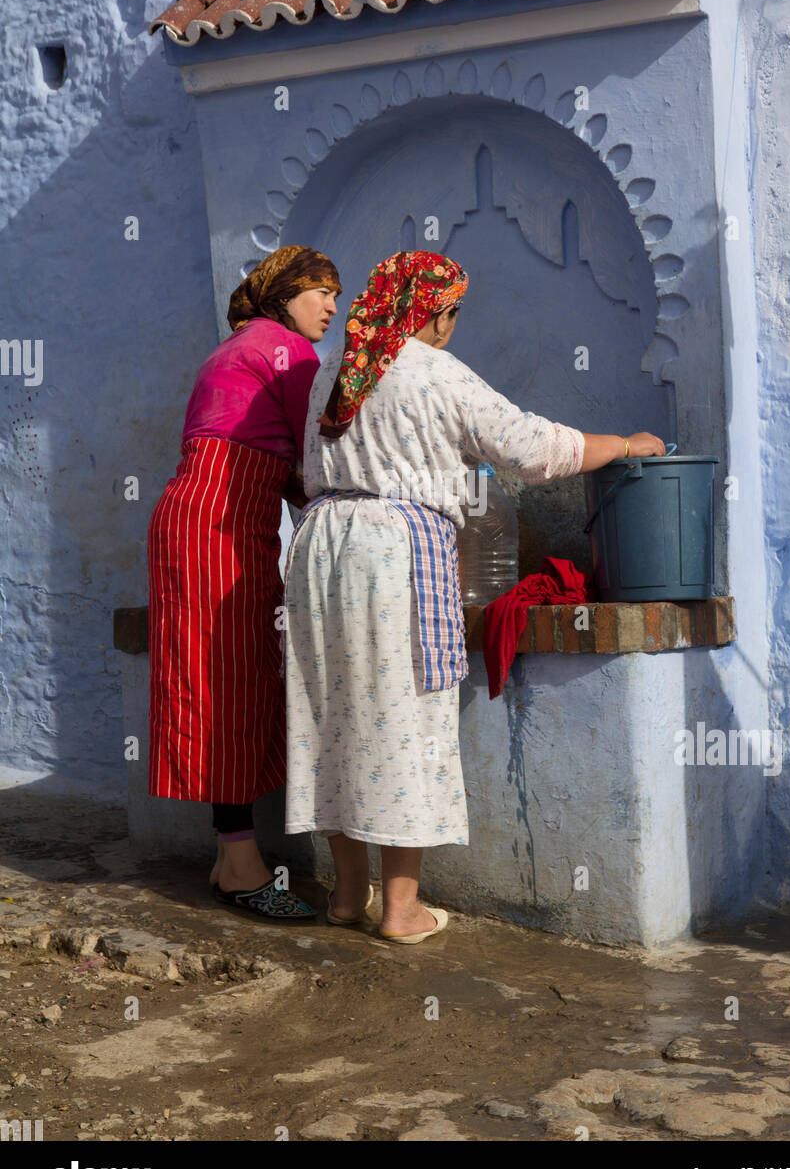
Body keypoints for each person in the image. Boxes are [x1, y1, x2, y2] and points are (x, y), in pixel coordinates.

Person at [282, 249, 665, 942]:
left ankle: (346, 894)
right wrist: (623, 443)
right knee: (403, 719)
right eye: (452, 313)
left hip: (319, 549)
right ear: (434, 313)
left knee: (331, 711)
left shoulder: (336, 374)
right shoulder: (431, 370)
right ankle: (400, 910)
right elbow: (531, 447)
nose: (453, 327)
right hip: (391, 550)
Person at [147, 244, 341, 918]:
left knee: (222, 677)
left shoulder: (234, 347)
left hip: (201, 521)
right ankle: (237, 862)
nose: (331, 307)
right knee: (230, 681)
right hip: (220, 529)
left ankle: (233, 850)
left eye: (337, 296)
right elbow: (315, 463)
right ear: (285, 294)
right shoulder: (291, 353)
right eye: (320, 292)